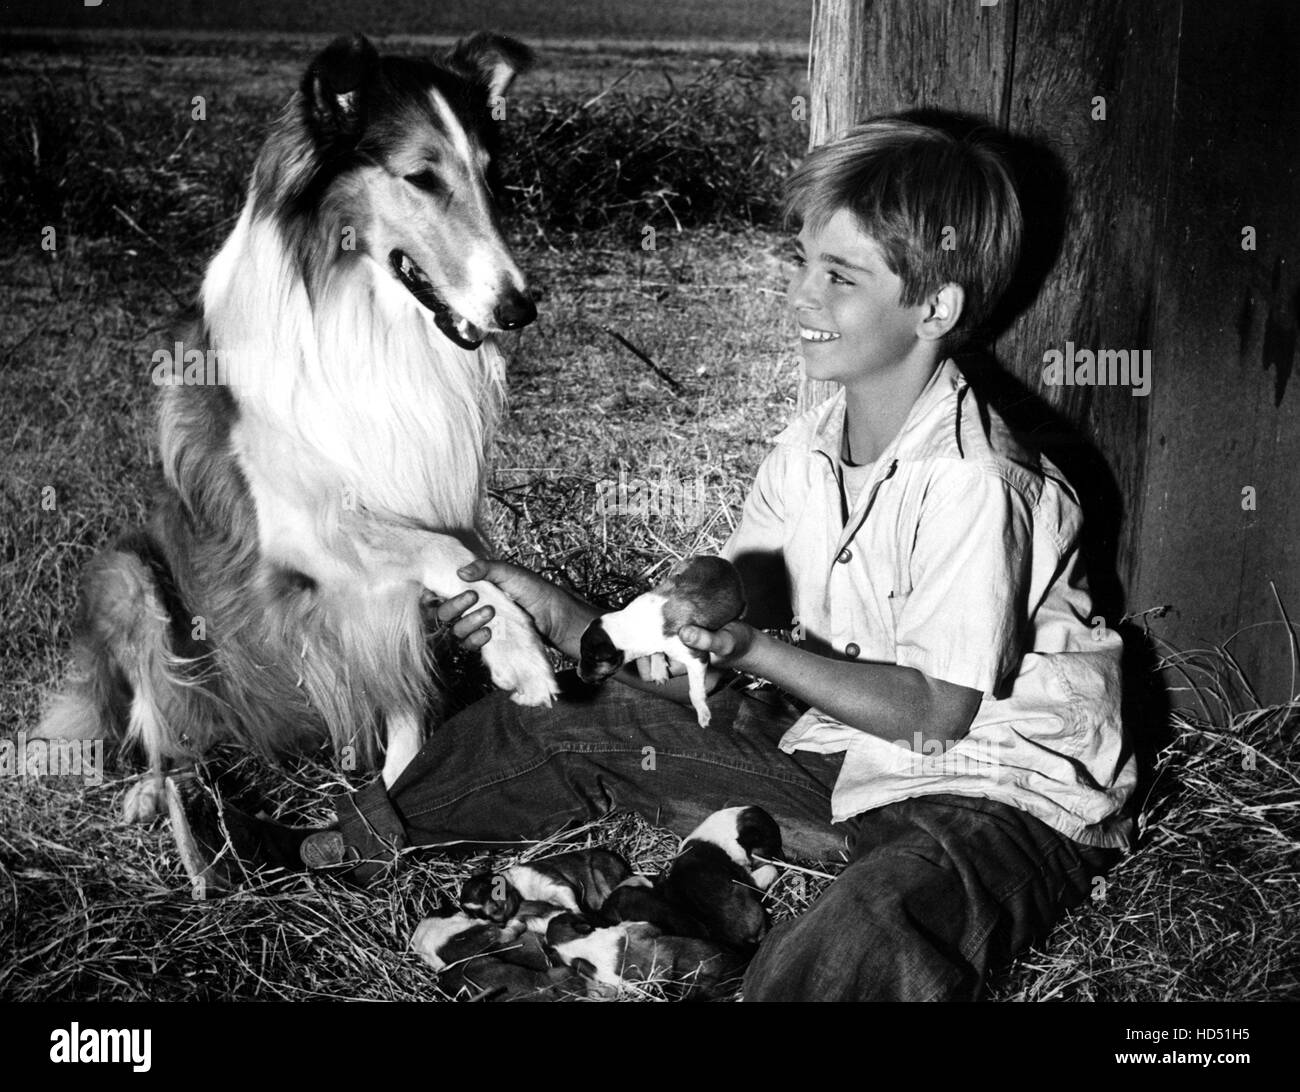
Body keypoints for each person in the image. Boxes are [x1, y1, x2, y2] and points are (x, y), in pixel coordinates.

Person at [181, 116, 1135, 1001]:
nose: (801, 295)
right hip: (849, 765)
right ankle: (319, 850)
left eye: (840, 278)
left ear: (936, 306)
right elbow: (724, 600)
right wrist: (560, 610)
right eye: (801, 261)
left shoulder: (977, 480)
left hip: (999, 797)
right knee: (565, 720)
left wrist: (749, 652)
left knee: (867, 934)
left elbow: (935, 711)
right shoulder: (811, 446)